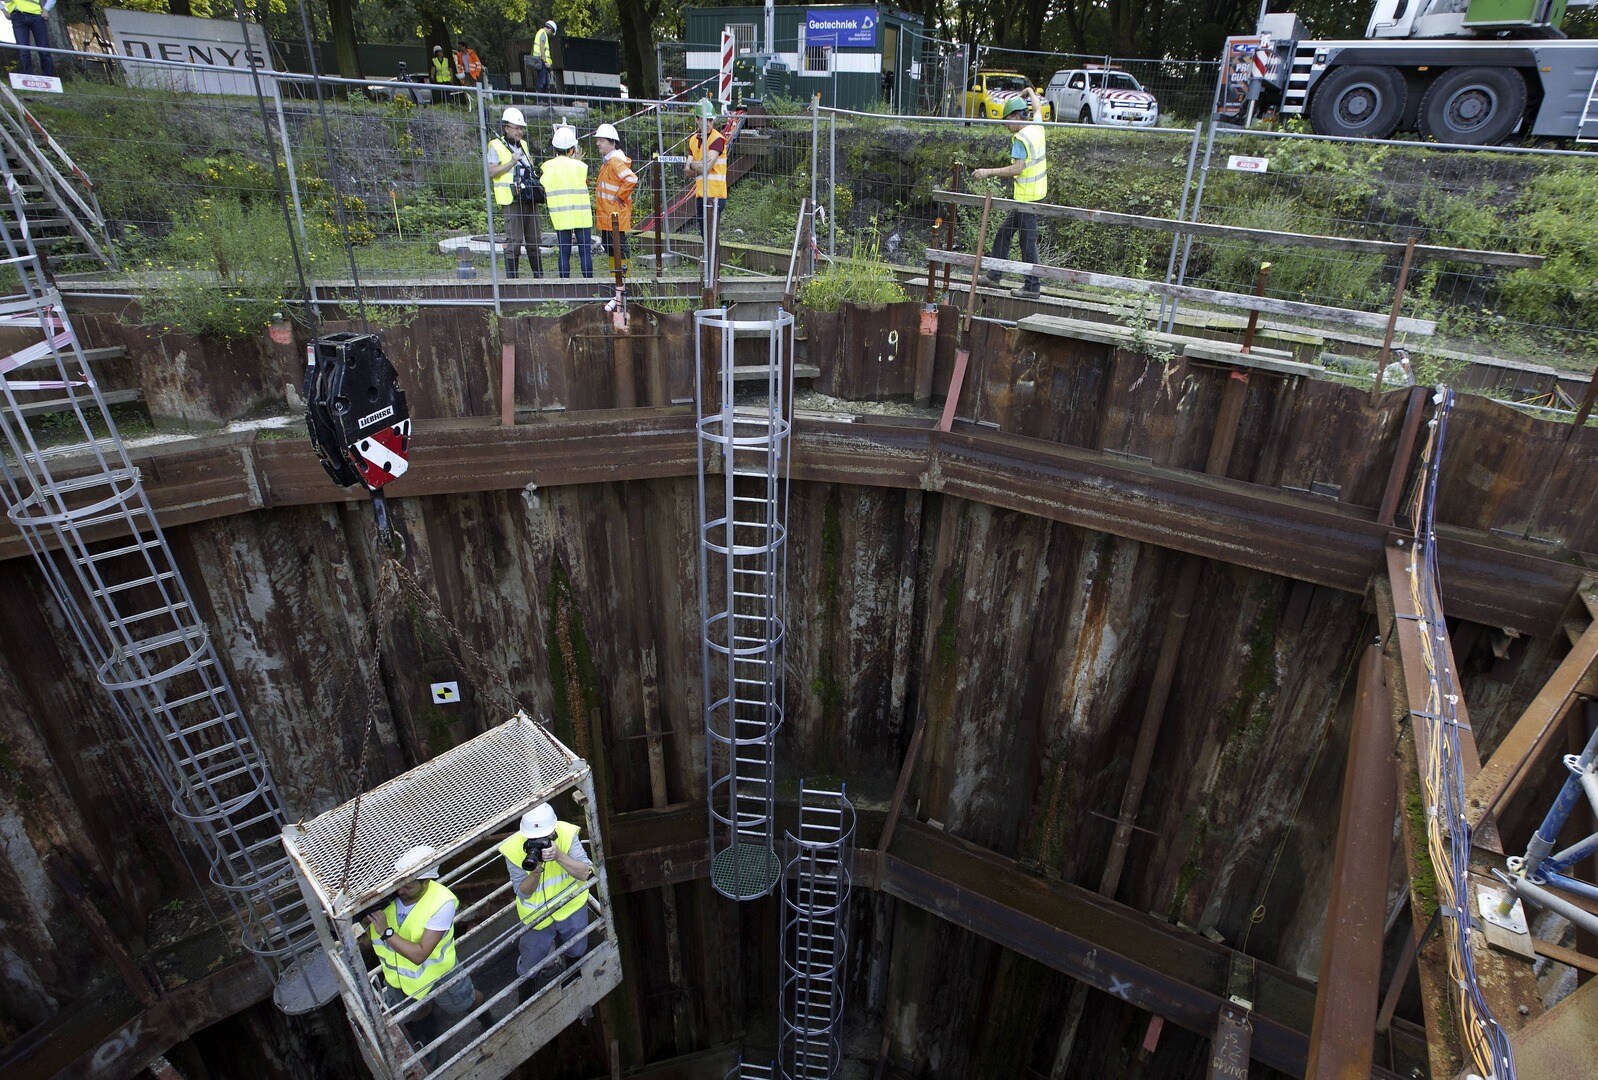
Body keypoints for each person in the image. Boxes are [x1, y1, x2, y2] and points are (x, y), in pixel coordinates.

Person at [366, 846, 481, 1048]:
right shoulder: (389, 893)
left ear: (426, 882)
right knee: (415, 1012)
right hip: (399, 979)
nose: (400, 891)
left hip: (439, 974)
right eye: (399, 884)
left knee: (465, 1000)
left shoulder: (441, 903)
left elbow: (420, 954)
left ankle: (486, 1019)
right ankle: (429, 1038)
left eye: (408, 887)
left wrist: (386, 931)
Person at [498, 803, 594, 990]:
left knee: (576, 949)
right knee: (531, 963)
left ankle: (574, 977)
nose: (538, 843)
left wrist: (559, 855)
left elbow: (584, 873)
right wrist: (534, 874)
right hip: (536, 916)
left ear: (553, 832)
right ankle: (526, 993)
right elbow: (522, 891)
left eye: (544, 837)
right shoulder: (512, 849)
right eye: (533, 839)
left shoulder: (566, 834)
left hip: (571, 907)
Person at [971, 89, 1047, 299]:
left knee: (1027, 243)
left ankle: (1032, 287)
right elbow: (1038, 108)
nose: (1006, 125)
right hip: (1035, 195)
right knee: (1004, 234)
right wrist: (1029, 92)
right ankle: (995, 276)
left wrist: (988, 172)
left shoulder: (1020, 139)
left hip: (1026, 198)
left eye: (1007, 120)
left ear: (1016, 117)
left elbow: (1017, 169)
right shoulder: (1037, 127)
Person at [488, 107, 542, 278]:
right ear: (506, 128)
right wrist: (511, 162)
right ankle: (513, 281)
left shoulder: (524, 145)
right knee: (515, 242)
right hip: (511, 199)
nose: (520, 131)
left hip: (529, 197)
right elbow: (492, 172)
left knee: (534, 240)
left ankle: (539, 278)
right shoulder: (495, 145)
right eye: (516, 127)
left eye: (521, 128)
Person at [541, 124, 594, 279]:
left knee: (564, 252)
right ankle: (589, 285)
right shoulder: (580, 166)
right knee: (585, 252)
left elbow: (544, 186)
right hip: (582, 214)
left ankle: (564, 285)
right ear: (573, 149)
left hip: (560, 215)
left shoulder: (548, 167)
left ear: (555, 148)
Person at [592, 122, 638, 276]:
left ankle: (623, 279)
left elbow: (631, 179)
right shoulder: (608, 162)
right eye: (598, 140)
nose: (598, 143)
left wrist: (620, 196)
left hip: (614, 214)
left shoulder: (614, 162)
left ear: (612, 143)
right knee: (610, 245)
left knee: (618, 246)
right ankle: (617, 278)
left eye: (602, 140)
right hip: (609, 214)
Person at [684, 98, 728, 238]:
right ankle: (710, 259)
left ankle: (713, 259)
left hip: (715, 195)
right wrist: (694, 165)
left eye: (710, 120)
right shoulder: (693, 140)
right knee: (706, 235)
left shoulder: (717, 139)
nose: (708, 124)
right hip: (701, 195)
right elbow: (688, 171)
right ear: (697, 119)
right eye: (705, 120)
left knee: (711, 235)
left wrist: (693, 165)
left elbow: (705, 168)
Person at [5, 0, 56, 79]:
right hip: (17, 16)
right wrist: (3, 10)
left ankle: (49, 79)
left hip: (36, 15)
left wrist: (46, 9)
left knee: (44, 50)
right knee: (23, 51)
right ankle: (27, 80)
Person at [531, 19, 556, 95]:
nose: (550, 34)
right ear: (550, 29)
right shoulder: (543, 33)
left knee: (545, 81)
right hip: (541, 61)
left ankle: (546, 100)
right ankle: (540, 99)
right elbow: (542, 46)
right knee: (541, 80)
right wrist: (545, 61)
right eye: (551, 32)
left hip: (540, 60)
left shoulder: (540, 33)